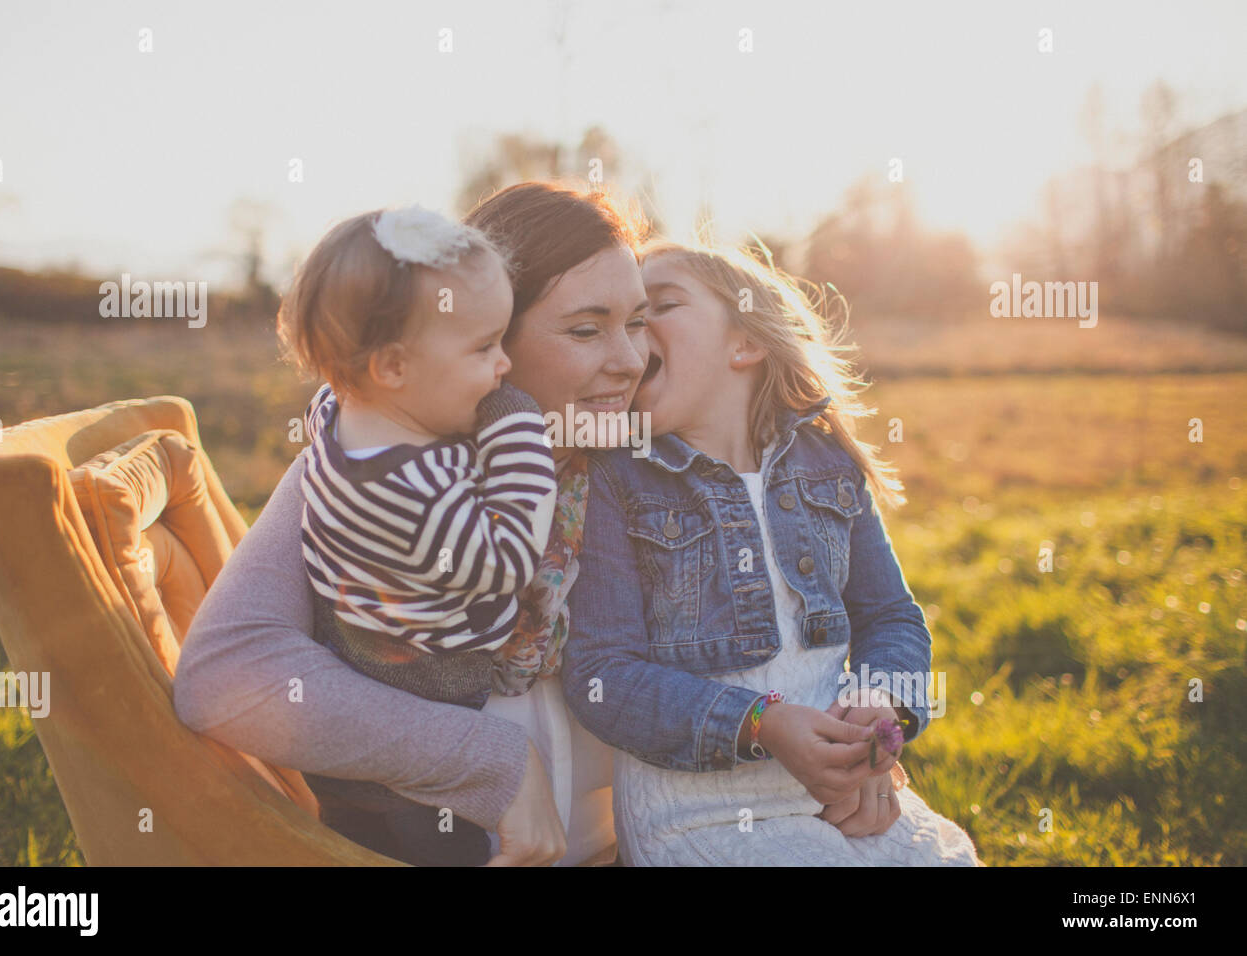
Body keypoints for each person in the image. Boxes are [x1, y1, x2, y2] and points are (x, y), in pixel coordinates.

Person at [174, 182, 652, 865]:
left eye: (638, 322)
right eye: (586, 329)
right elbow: (226, 673)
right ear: (490, 339)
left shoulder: (650, 454)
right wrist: (488, 761)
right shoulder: (367, 471)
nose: (630, 361)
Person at [561, 240, 983, 865]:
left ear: (746, 344)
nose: (634, 333)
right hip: (701, 817)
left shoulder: (828, 466)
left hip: (842, 800)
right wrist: (760, 721)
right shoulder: (621, 478)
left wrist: (882, 712)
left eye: (660, 306)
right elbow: (601, 674)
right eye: (625, 322)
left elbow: (891, 617)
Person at [276, 205, 559, 864]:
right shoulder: (408, 492)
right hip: (418, 771)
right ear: (393, 367)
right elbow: (510, 557)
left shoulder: (336, 418)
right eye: (484, 348)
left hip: (360, 751)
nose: (504, 365)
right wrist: (516, 424)